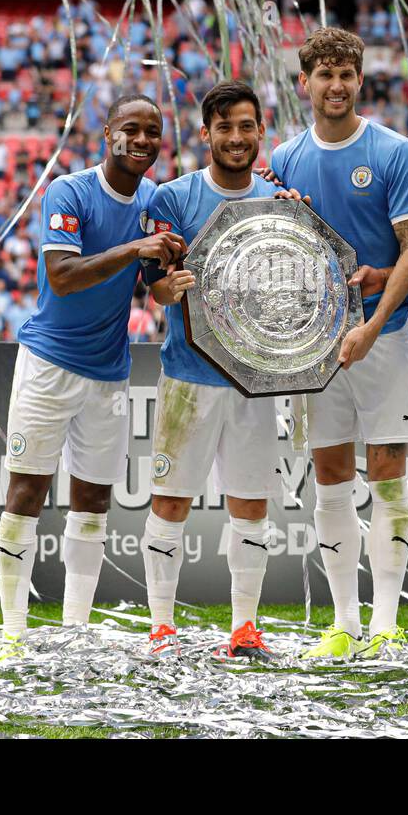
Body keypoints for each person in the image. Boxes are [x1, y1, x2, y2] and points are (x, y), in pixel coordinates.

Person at [0, 94, 186, 660]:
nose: (144, 141)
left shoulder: (155, 199)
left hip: (110, 370)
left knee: (93, 501)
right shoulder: (69, 191)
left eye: (154, 132)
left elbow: (154, 281)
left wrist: (168, 281)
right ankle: (12, 634)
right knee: (27, 489)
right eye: (132, 129)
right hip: (49, 364)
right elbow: (64, 275)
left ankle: (74, 631)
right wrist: (136, 247)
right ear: (108, 133)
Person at [267, 27, 408, 661]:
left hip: (383, 336)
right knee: (330, 476)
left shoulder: (393, 153)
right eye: (323, 74)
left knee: (388, 473)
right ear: (303, 83)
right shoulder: (282, 160)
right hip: (313, 349)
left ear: (360, 81)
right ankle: (343, 622)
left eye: (346, 74)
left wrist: (369, 324)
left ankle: (386, 622)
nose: (336, 85)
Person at [141, 80, 308, 662]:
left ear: (261, 131)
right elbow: (155, 289)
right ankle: (162, 629)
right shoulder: (173, 199)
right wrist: (170, 286)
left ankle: (244, 630)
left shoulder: (282, 200)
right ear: (206, 133)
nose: (236, 138)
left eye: (246, 127)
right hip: (188, 377)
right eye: (224, 127)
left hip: (255, 380)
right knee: (169, 501)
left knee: (251, 505)